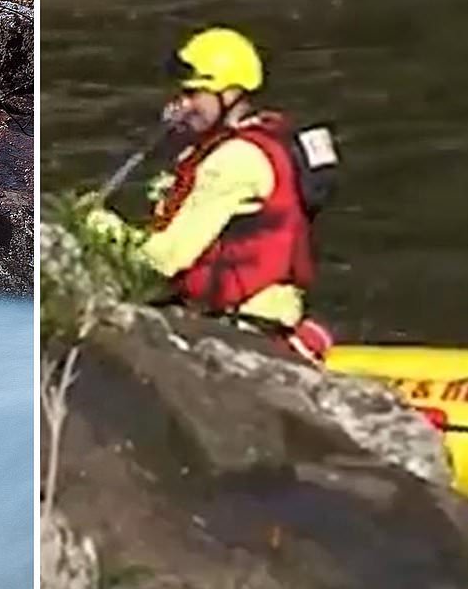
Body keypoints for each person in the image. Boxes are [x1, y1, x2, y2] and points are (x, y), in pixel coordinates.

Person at [86, 27, 334, 363]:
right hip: (259, 314)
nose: (182, 105)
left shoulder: (233, 160)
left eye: (195, 94)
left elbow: (164, 259)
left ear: (231, 93)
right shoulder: (248, 141)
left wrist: (95, 227)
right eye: (182, 94)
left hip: (242, 327)